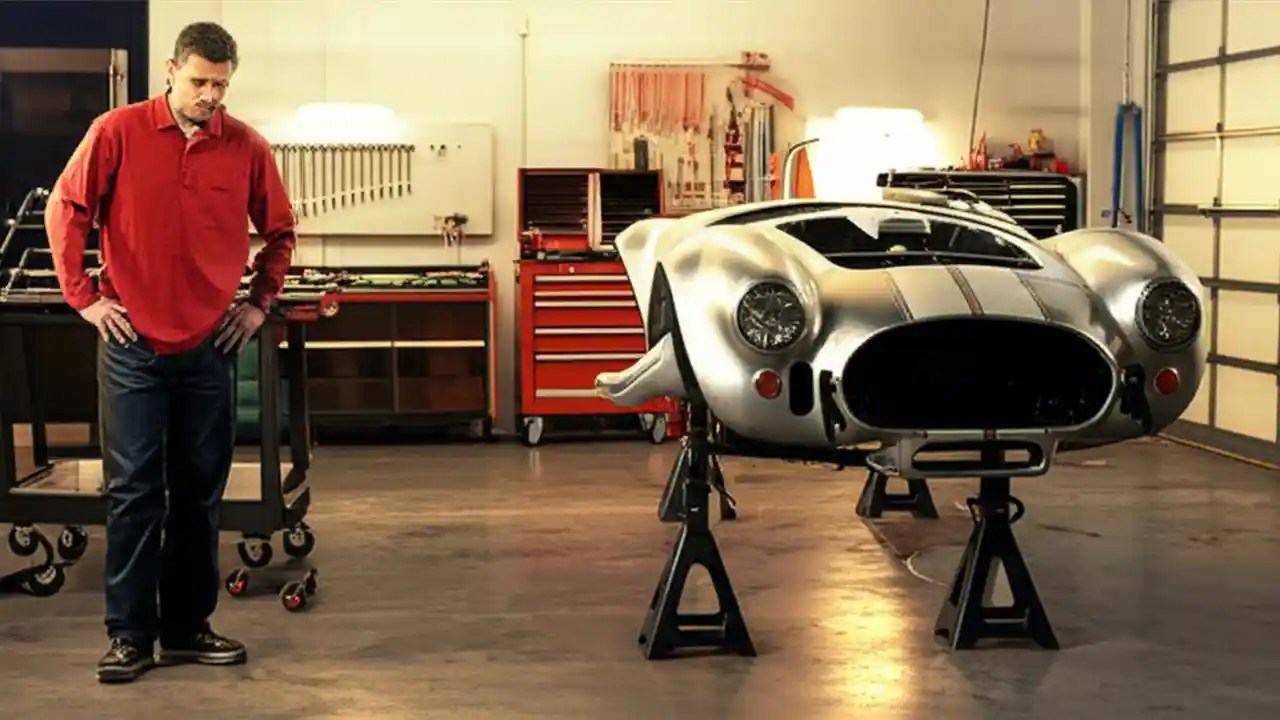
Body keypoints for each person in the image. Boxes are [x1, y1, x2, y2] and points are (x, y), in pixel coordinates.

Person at [44, 21, 296, 683]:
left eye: (221, 85)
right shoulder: (117, 131)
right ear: (170, 70)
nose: (211, 95)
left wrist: (257, 303)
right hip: (133, 345)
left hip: (211, 346)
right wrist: (85, 298)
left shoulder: (245, 147)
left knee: (196, 495)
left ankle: (186, 630)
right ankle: (129, 637)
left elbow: (280, 232)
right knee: (133, 494)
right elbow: (66, 209)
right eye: (199, 82)